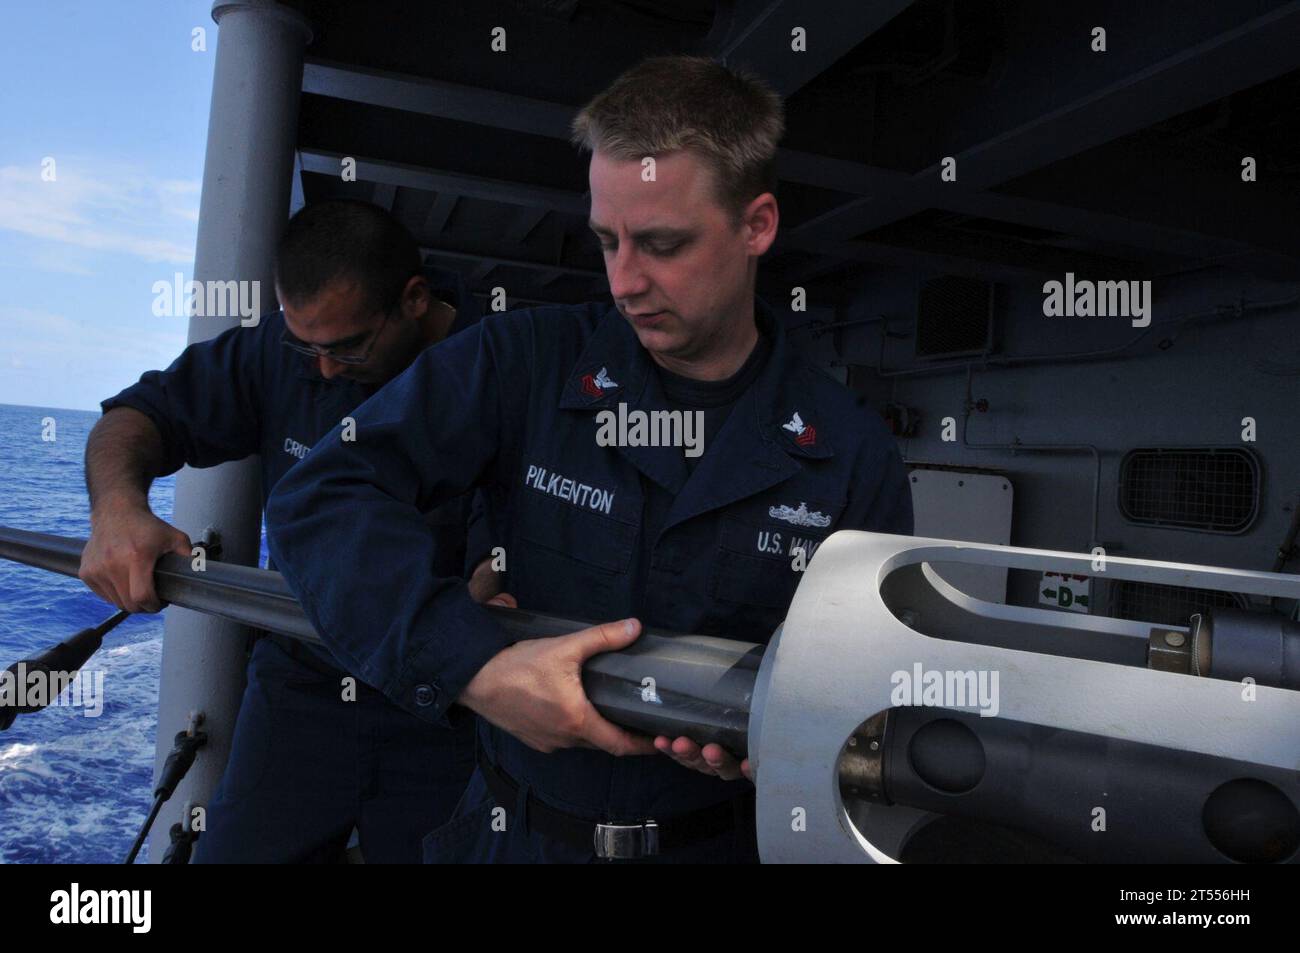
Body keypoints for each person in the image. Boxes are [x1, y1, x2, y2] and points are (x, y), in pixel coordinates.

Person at [265, 55, 913, 863]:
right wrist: (469, 664)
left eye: (661, 243)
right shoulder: (522, 363)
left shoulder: (852, 453)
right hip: (510, 838)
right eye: (607, 241)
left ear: (757, 226)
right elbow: (321, 496)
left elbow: (873, 701)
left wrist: (786, 737)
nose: (624, 280)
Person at [79, 199, 497, 862]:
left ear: (415, 299)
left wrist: (508, 576)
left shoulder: (502, 363)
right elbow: (137, 417)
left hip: (452, 698)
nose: (323, 369)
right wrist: (118, 510)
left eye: (346, 348)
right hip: (304, 678)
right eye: (306, 345)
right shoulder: (284, 352)